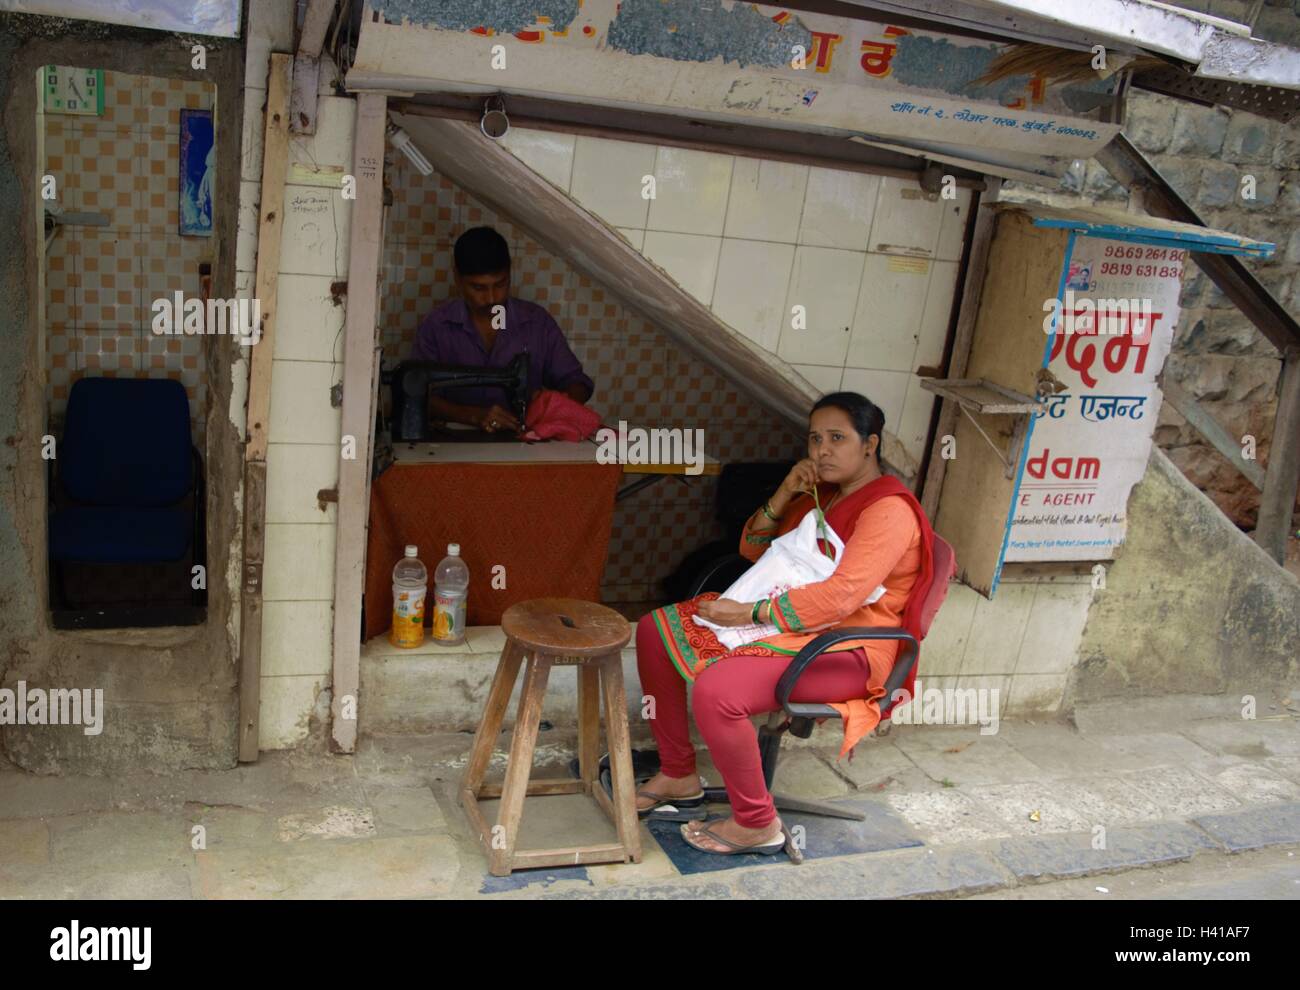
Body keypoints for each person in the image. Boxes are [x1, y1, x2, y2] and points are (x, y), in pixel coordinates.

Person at [634, 392, 937, 855]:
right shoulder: (825, 496)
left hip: (848, 646)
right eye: (816, 438)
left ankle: (756, 823)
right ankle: (679, 773)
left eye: (838, 438)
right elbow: (754, 550)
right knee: (656, 629)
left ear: (870, 444)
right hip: (798, 623)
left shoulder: (887, 511)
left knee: (719, 692)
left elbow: (842, 597)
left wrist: (749, 614)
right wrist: (785, 492)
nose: (823, 450)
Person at [412, 226, 594, 433]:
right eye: (478, 288)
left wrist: (557, 403)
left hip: (521, 440)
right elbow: (416, 392)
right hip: (453, 440)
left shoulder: (537, 323)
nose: (491, 298)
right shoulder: (436, 326)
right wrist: (472, 415)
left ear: (510, 272)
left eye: (500, 284)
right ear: (457, 278)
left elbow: (578, 383)